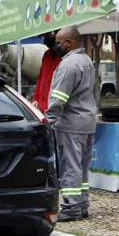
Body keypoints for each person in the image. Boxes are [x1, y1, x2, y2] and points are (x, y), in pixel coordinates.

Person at [45, 25, 97, 222]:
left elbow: (59, 98)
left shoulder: (68, 64)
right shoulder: (86, 60)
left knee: (70, 167)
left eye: (58, 43)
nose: (56, 46)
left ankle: (71, 207)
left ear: (69, 42)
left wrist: (48, 122)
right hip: (86, 121)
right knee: (82, 166)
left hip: (70, 123)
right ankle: (82, 205)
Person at [31, 31, 62, 113]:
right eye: (44, 36)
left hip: (54, 107)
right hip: (42, 106)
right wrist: (35, 98)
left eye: (48, 35)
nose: (46, 38)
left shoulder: (63, 57)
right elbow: (41, 78)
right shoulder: (47, 54)